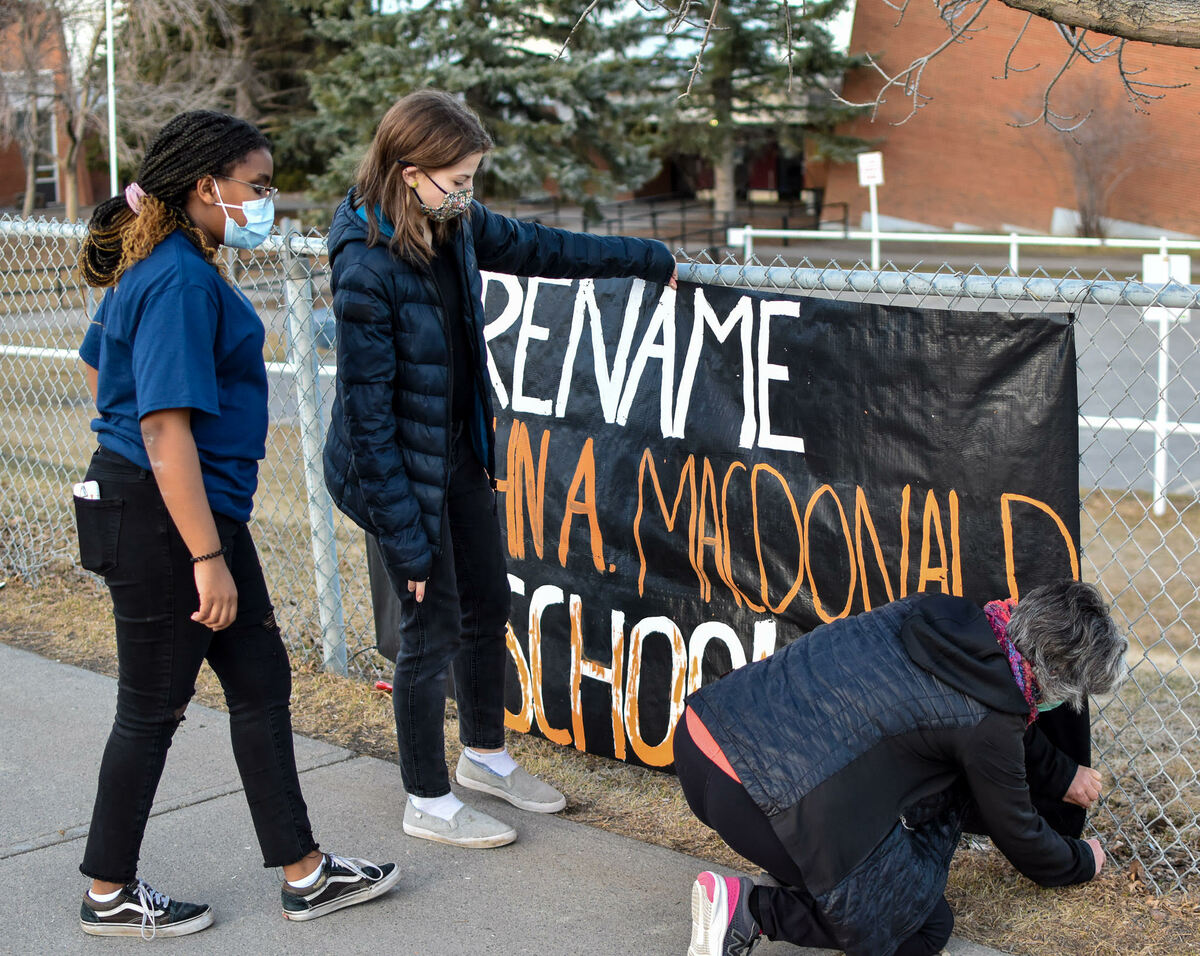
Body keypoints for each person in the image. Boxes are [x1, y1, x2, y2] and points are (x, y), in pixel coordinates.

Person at [74, 110, 400, 939]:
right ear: (205, 187)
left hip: (177, 510)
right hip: (169, 521)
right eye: (257, 187)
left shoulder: (161, 262)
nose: (268, 201)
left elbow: (93, 364)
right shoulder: (178, 275)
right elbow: (161, 429)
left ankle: (305, 873)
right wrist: (205, 555)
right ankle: (107, 892)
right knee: (152, 707)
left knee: (259, 681)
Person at [323, 89, 678, 848]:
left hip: (454, 455)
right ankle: (427, 799)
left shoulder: (455, 226)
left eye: (473, 179)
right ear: (410, 172)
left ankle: (484, 756)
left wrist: (649, 259)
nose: (468, 193)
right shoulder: (365, 269)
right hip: (393, 474)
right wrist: (409, 544)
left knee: (487, 604)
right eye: (457, 180)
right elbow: (370, 423)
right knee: (431, 621)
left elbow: (547, 249)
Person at [675, 580, 1128, 956]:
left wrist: (1063, 774)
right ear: (1057, 679)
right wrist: (1083, 860)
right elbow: (1020, 833)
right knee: (923, 924)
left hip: (703, 736)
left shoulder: (945, 614)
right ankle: (749, 911)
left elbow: (1000, 711)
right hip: (757, 798)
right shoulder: (991, 724)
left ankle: (803, 874)